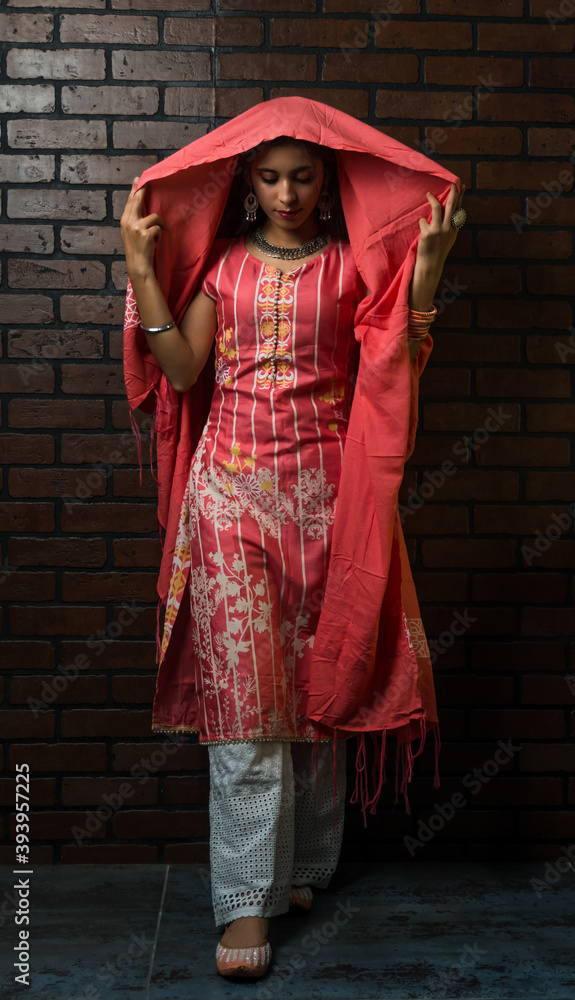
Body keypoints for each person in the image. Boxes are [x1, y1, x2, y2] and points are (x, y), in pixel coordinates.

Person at [121, 96, 465, 979]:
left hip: (327, 502)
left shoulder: (353, 268)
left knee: (318, 685)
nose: (284, 192)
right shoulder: (226, 268)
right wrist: (141, 268)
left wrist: (423, 276)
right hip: (229, 499)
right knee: (245, 699)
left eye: (301, 176)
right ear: (247, 180)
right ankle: (243, 902)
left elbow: (394, 358)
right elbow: (184, 369)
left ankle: (303, 867)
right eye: (268, 176)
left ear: (327, 180)